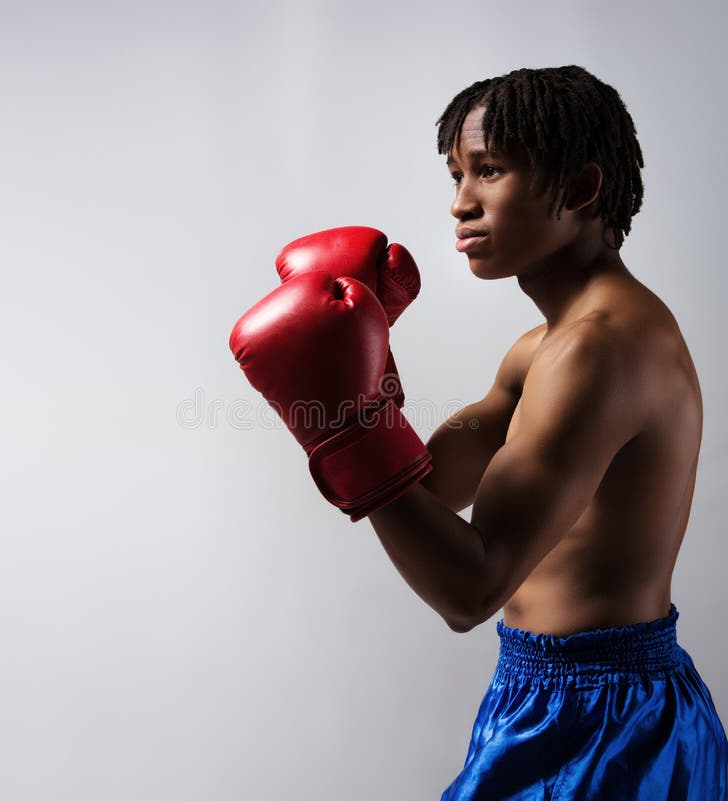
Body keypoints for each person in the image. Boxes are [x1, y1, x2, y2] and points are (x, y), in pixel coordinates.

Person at [228, 65, 727, 799]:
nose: (461, 203)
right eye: (457, 174)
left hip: (607, 726)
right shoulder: (543, 347)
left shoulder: (601, 348)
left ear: (583, 188)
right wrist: (365, 379)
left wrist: (349, 428)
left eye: (489, 171)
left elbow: (470, 587)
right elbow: (430, 485)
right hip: (545, 696)